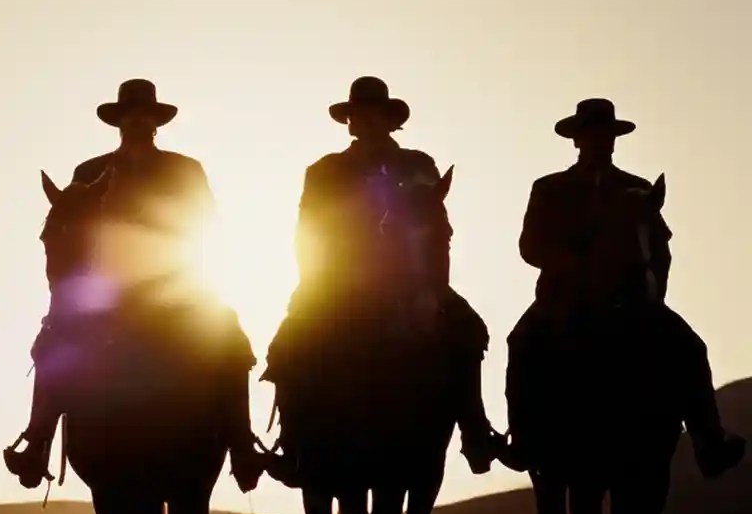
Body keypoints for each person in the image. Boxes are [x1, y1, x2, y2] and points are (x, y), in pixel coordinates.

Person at [6, 78, 264, 491]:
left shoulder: (185, 170)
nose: (138, 122)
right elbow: (74, 231)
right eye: (130, 116)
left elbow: (205, 222)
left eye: (145, 115)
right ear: (119, 121)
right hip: (108, 293)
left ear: (156, 122)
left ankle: (242, 443)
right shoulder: (88, 171)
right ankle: (37, 441)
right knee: (52, 342)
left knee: (230, 339)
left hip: (177, 288)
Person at [266, 76, 504, 475]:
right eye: (357, 114)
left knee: (469, 330)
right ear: (350, 121)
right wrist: (318, 279)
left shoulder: (419, 164)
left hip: (411, 276)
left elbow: (435, 223)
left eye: (373, 113)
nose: (365, 121)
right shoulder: (324, 171)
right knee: (287, 345)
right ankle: (294, 442)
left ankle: (474, 429)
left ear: (390, 119)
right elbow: (308, 230)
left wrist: (434, 283)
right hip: (337, 280)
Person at [506, 98, 744, 476]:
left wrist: (653, 294)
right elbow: (530, 247)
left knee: (690, 346)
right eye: (592, 134)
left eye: (607, 135)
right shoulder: (550, 188)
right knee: (521, 341)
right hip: (562, 297)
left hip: (631, 298)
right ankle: (524, 440)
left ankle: (709, 440)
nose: (601, 142)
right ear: (577, 140)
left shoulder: (637, 188)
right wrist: (575, 262)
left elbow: (659, 246)